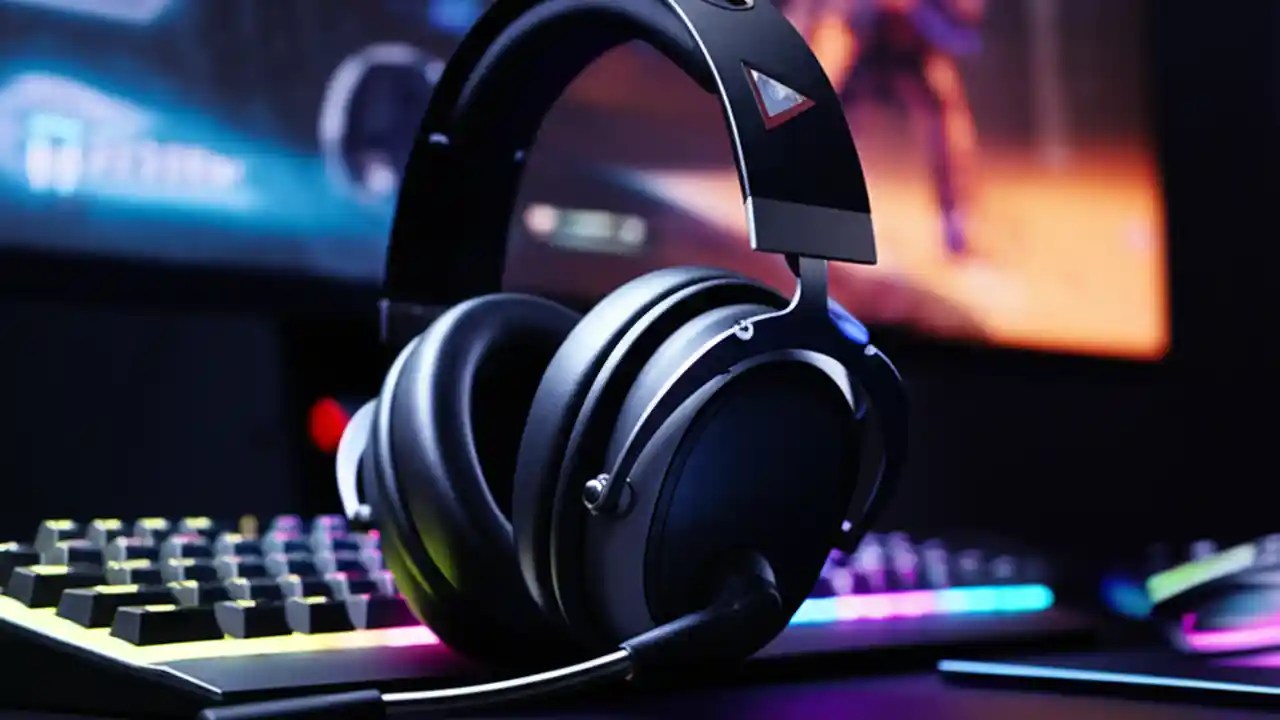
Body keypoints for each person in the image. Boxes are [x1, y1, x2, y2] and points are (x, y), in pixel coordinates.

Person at [785, 0, 985, 256]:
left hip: (908, 36)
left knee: (944, 106)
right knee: (821, 75)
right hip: (849, 27)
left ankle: (958, 224)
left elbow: (961, 24)